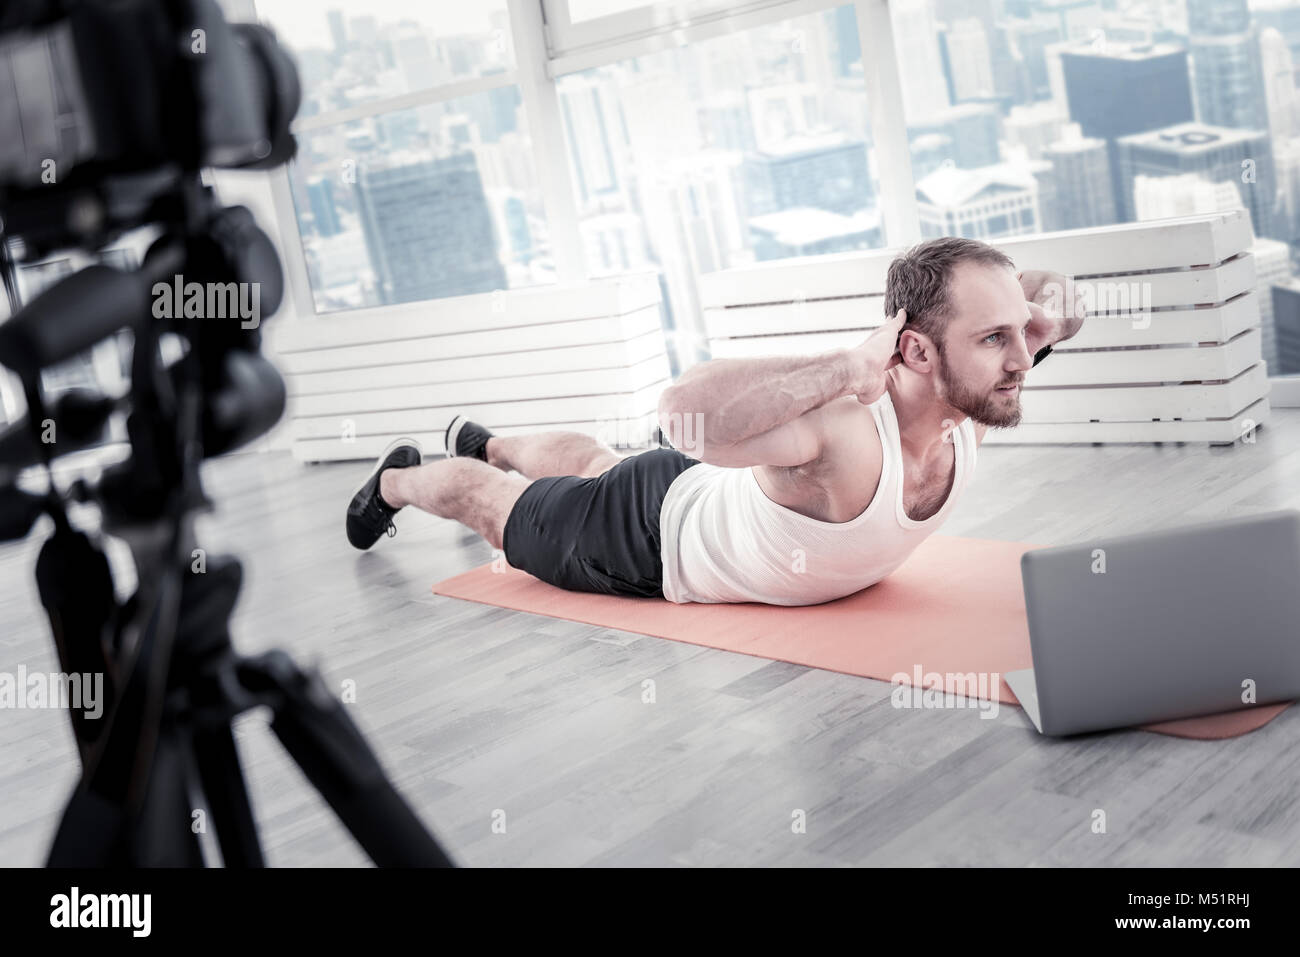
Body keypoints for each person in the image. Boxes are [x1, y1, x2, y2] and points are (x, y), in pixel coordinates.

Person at [345, 236, 1086, 606]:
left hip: (696, 487)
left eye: (1022, 332)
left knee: (603, 463)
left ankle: (494, 440)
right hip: (639, 542)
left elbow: (1041, 301)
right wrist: (844, 365)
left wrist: (1041, 304)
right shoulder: (845, 428)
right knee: (494, 506)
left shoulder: (977, 397)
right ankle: (399, 480)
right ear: (916, 350)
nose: (1022, 356)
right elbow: (680, 416)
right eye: (996, 338)